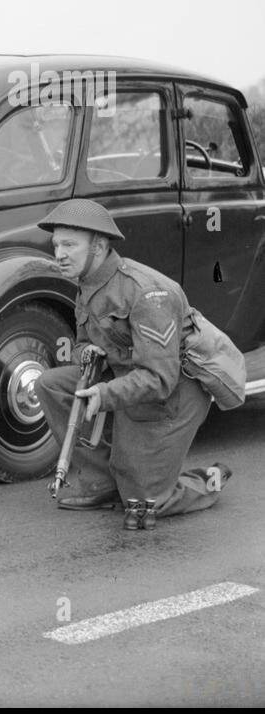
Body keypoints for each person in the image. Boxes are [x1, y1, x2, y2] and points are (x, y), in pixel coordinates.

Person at [32, 199, 232, 530]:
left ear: (98, 246)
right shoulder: (88, 283)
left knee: (145, 502)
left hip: (173, 396)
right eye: (56, 244)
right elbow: (86, 341)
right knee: (51, 384)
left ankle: (208, 480)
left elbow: (159, 379)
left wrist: (104, 393)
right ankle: (100, 482)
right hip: (128, 384)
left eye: (69, 244)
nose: (59, 254)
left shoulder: (146, 292)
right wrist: (86, 356)